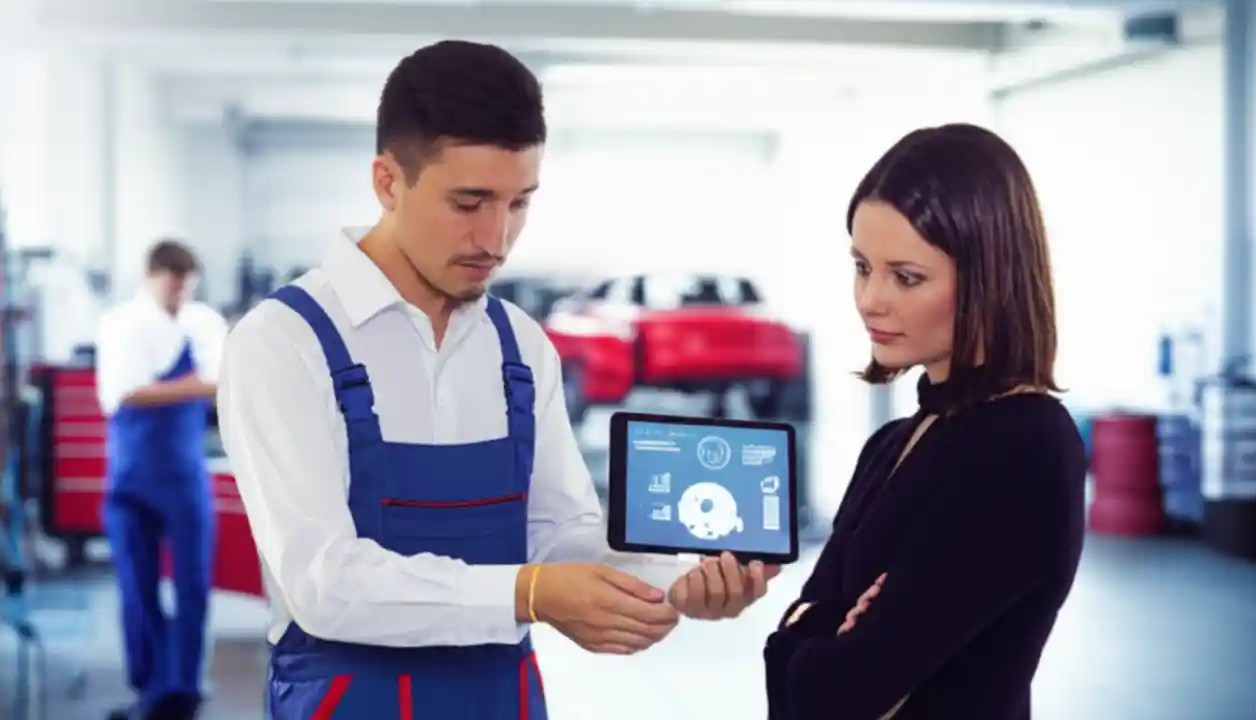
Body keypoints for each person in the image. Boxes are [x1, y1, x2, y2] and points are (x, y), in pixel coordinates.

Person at [216, 39, 776, 720]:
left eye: (519, 203)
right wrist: (529, 593)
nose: (497, 238)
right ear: (388, 182)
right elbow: (323, 582)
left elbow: (559, 533)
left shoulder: (520, 345)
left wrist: (676, 579)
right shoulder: (283, 342)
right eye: (469, 202)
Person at [763, 124, 1086, 720]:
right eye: (862, 266)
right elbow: (807, 666)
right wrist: (817, 633)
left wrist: (804, 634)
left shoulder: (1023, 449)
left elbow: (829, 697)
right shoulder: (893, 443)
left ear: (990, 277)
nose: (869, 299)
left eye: (906, 277)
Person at [95, 239, 229, 720]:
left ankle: (184, 688)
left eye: (186, 286)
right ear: (152, 276)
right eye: (173, 284)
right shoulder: (121, 323)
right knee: (138, 587)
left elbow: (224, 381)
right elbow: (121, 394)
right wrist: (196, 385)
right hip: (131, 478)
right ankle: (151, 690)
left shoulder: (203, 322)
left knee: (194, 585)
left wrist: (183, 387)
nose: (179, 295)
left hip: (183, 475)